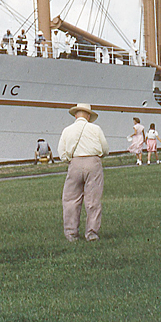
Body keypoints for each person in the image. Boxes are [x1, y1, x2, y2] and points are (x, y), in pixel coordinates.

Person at [57, 104, 109, 242]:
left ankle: (71, 233)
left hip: (75, 163)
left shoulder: (67, 130)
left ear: (75, 115)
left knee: (71, 199)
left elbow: (61, 152)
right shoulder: (95, 128)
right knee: (93, 200)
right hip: (93, 163)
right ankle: (91, 233)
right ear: (88, 116)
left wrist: (70, 160)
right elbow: (105, 149)